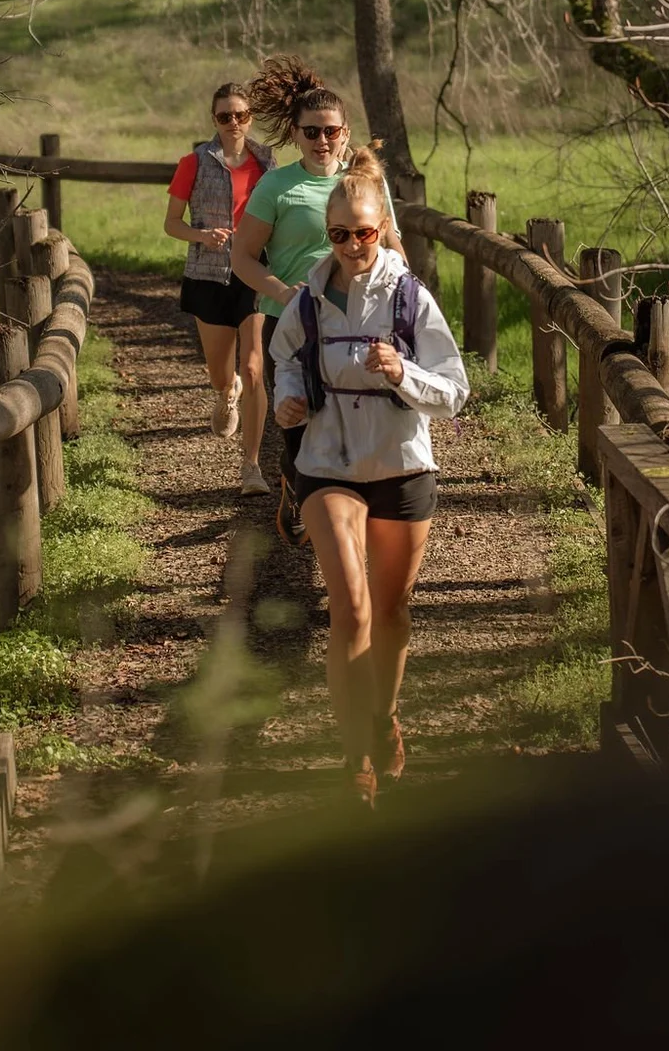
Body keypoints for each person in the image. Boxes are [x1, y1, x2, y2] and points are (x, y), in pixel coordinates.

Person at [269, 146, 469, 806]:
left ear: (381, 224)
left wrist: (401, 372)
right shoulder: (308, 300)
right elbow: (286, 362)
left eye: (362, 231)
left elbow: (454, 391)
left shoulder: (410, 298)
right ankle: (354, 748)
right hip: (327, 464)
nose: (352, 244)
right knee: (350, 607)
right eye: (338, 234)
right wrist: (287, 399)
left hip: (403, 465)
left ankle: (382, 715)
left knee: (391, 610)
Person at [231, 56, 405, 547]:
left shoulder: (367, 184)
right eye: (311, 132)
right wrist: (286, 295)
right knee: (298, 419)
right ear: (295, 132)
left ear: (346, 132)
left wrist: (408, 294)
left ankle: (347, 516)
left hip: (359, 316)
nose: (321, 141)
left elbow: (392, 246)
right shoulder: (277, 186)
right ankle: (298, 479)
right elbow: (243, 258)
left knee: (359, 415)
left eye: (330, 131)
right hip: (293, 321)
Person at [164, 83, 275, 496]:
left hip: (254, 274)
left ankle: (251, 467)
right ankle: (226, 393)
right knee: (220, 372)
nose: (234, 123)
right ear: (214, 120)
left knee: (253, 368)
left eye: (241, 115)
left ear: (251, 118)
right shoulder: (193, 163)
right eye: (225, 116)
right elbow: (171, 223)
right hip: (207, 275)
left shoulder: (267, 162)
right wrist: (201, 235)